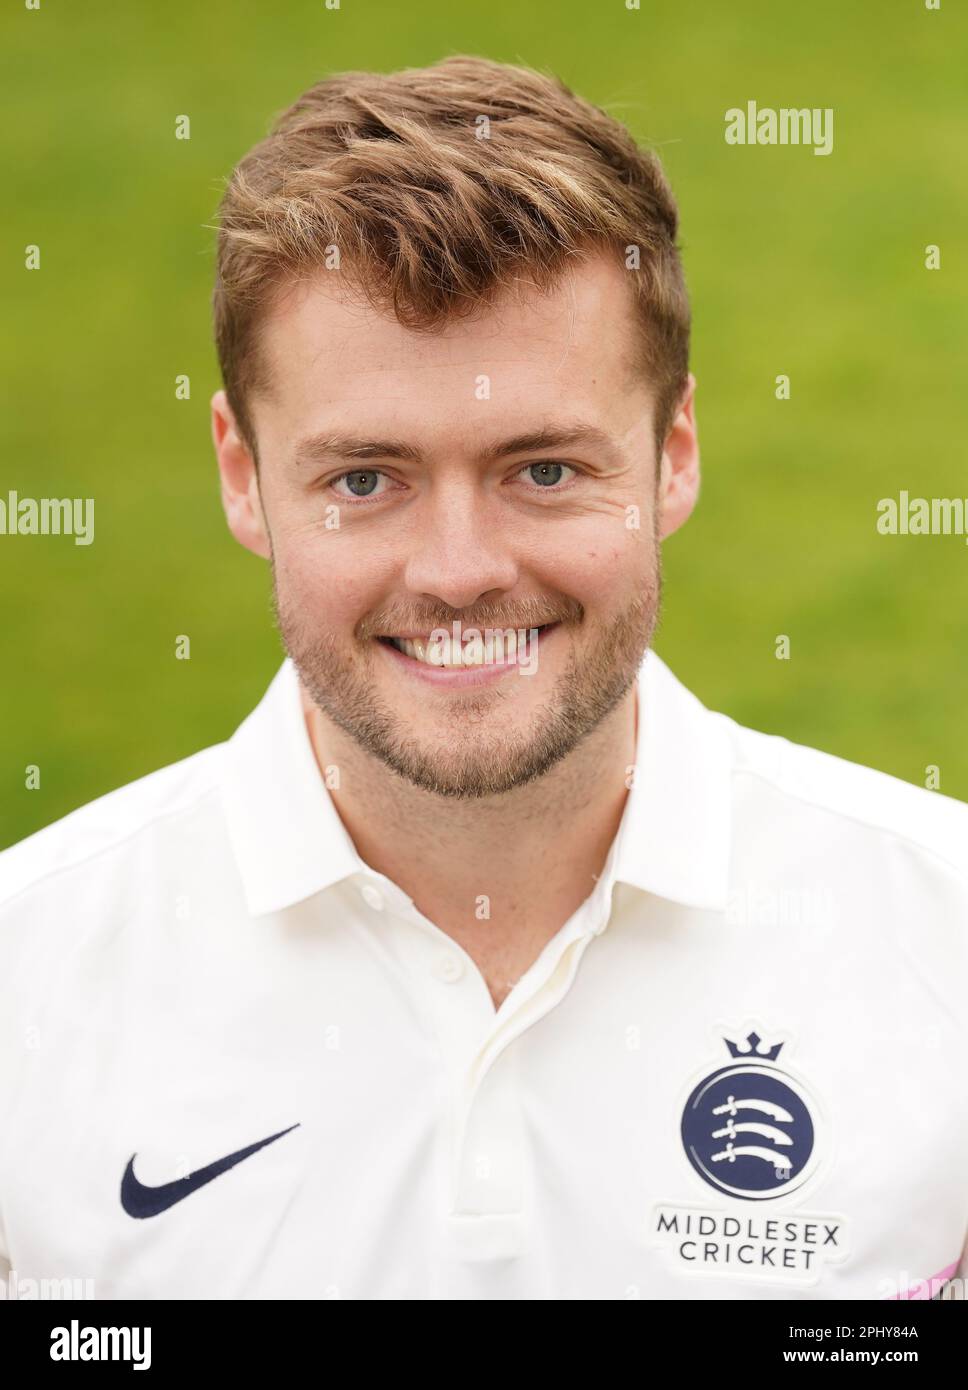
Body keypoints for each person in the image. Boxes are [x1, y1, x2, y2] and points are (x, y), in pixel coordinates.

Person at [1, 56, 965, 1302]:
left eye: (544, 470)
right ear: (241, 475)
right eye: (365, 479)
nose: (458, 573)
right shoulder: (27, 979)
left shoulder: (942, 939)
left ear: (671, 454)